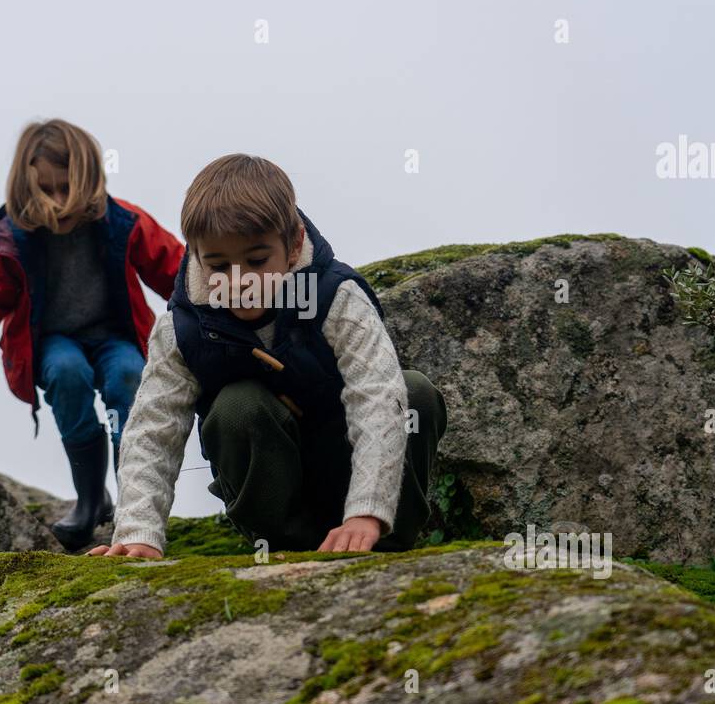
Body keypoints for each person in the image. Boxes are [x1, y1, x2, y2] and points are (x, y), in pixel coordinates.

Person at [90, 153, 447, 559]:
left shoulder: (335, 297)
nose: (239, 280)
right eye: (219, 265)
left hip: (349, 470)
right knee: (238, 406)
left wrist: (367, 513)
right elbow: (153, 428)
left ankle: (386, 544)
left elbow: (377, 394)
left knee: (413, 394)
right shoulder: (182, 330)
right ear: (195, 253)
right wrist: (138, 532)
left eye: (257, 261)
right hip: (272, 500)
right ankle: (286, 548)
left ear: (293, 245)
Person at [0, 119, 184, 550]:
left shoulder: (124, 224)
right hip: (55, 341)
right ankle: (89, 498)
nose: (60, 202)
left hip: (114, 336)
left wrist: (227, 313)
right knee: (66, 372)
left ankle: (134, 509)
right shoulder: (12, 244)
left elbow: (177, 272)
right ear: (25, 188)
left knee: (128, 377)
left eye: (68, 187)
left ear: (92, 182)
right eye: (47, 189)